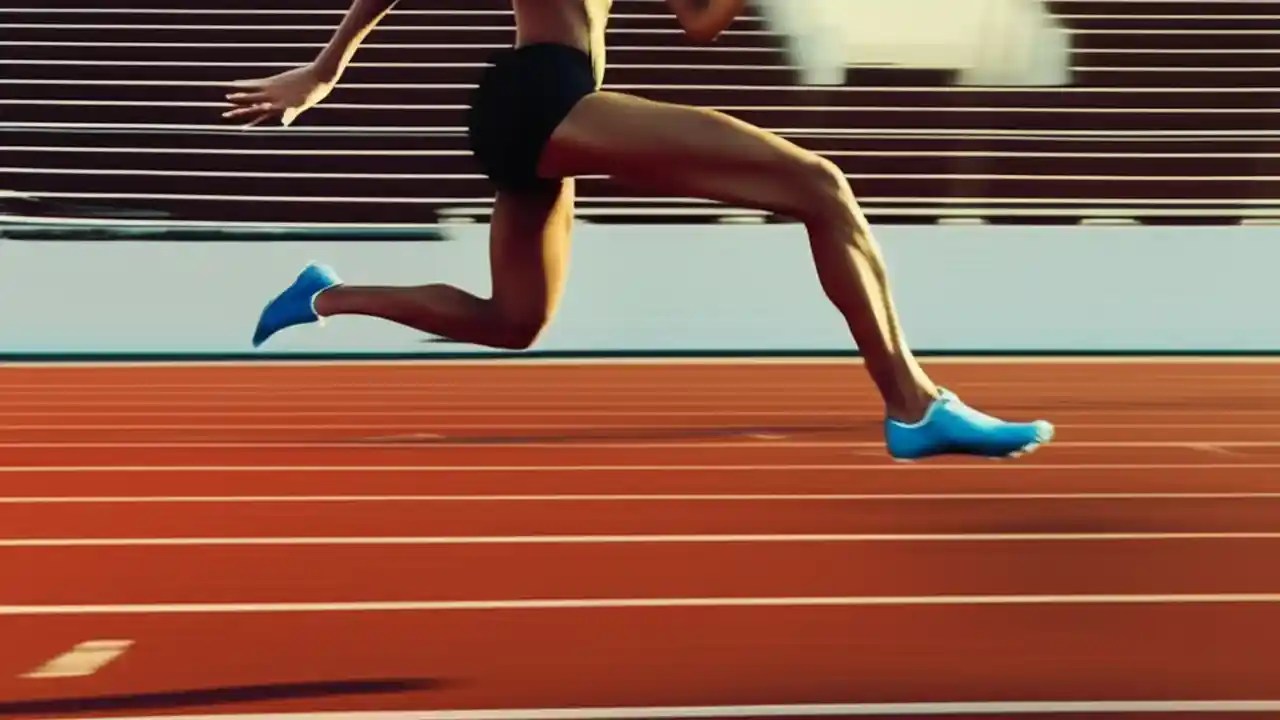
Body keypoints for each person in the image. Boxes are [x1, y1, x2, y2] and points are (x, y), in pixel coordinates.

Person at [221, 0, 1053, 460]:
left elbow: (698, 20)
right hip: (542, 96)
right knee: (819, 186)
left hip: (539, 105)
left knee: (515, 321)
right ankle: (913, 405)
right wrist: (325, 68)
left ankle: (326, 297)